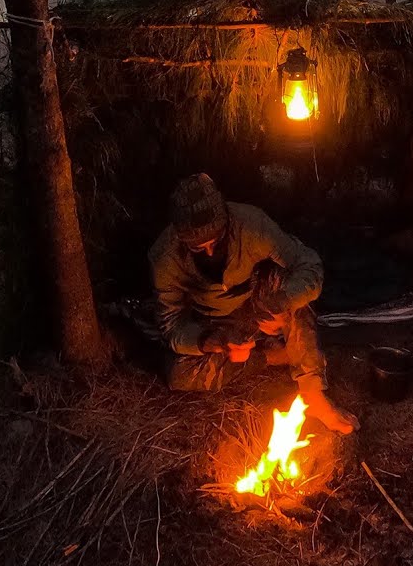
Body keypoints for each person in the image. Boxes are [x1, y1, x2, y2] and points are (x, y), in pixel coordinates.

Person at [148, 173, 358, 434]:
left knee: (292, 291)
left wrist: (284, 299)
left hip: (257, 305)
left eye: (216, 242)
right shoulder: (165, 258)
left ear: (226, 221)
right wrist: (209, 340)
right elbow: (171, 327)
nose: (211, 252)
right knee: (179, 375)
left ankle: (313, 395)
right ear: (182, 240)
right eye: (199, 248)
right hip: (213, 324)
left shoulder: (252, 225)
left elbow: (308, 264)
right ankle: (273, 355)